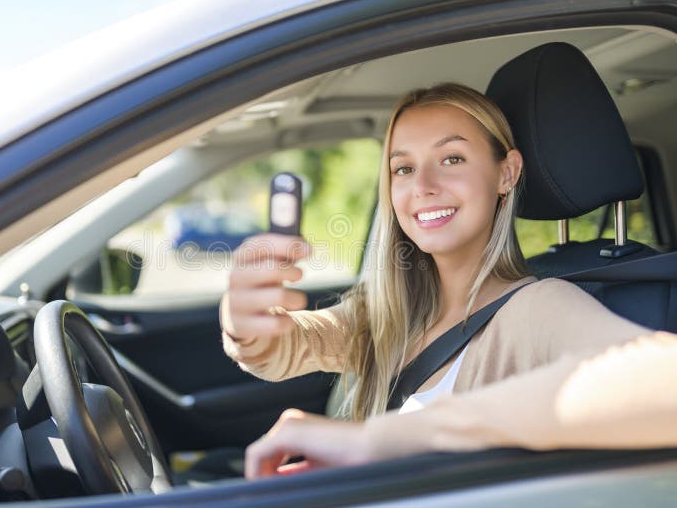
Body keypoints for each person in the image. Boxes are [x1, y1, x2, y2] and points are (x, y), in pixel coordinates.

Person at [219, 83, 677, 479]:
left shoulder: (537, 307)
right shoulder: (388, 313)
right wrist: (244, 324)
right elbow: (287, 346)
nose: (423, 185)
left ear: (507, 173)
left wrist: (379, 439)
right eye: (403, 168)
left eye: (452, 158)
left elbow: (665, 379)